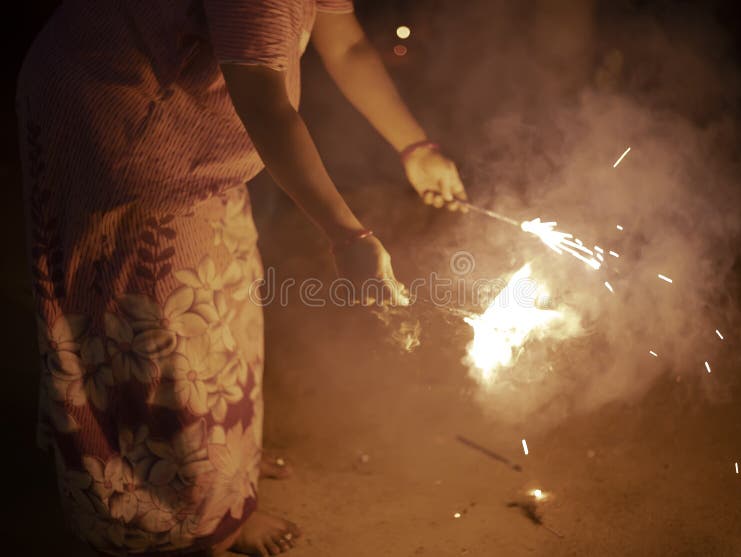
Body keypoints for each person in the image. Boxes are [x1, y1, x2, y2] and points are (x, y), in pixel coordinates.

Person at [17, 1, 466, 555]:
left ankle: (216, 473)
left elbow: (343, 39)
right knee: (156, 320)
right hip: (125, 115)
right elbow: (263, 100)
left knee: (216, 291)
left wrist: (413, 145)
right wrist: (347, 235)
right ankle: (170, 513)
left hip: (191, 125)